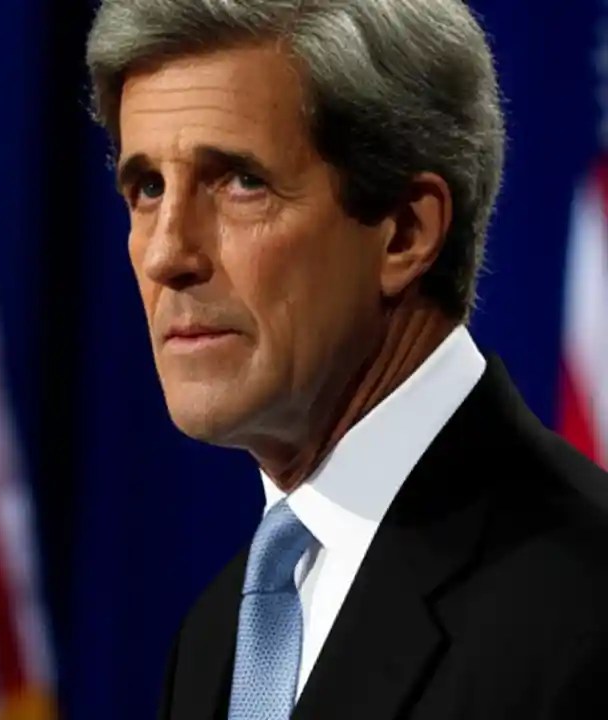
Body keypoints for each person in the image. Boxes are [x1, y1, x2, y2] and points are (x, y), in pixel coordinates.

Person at [85, 1, 608, 718]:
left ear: (404, 232)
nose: (167, 252)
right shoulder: (216, 637)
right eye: (147, 188)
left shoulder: (584, 605)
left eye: (239, 182)